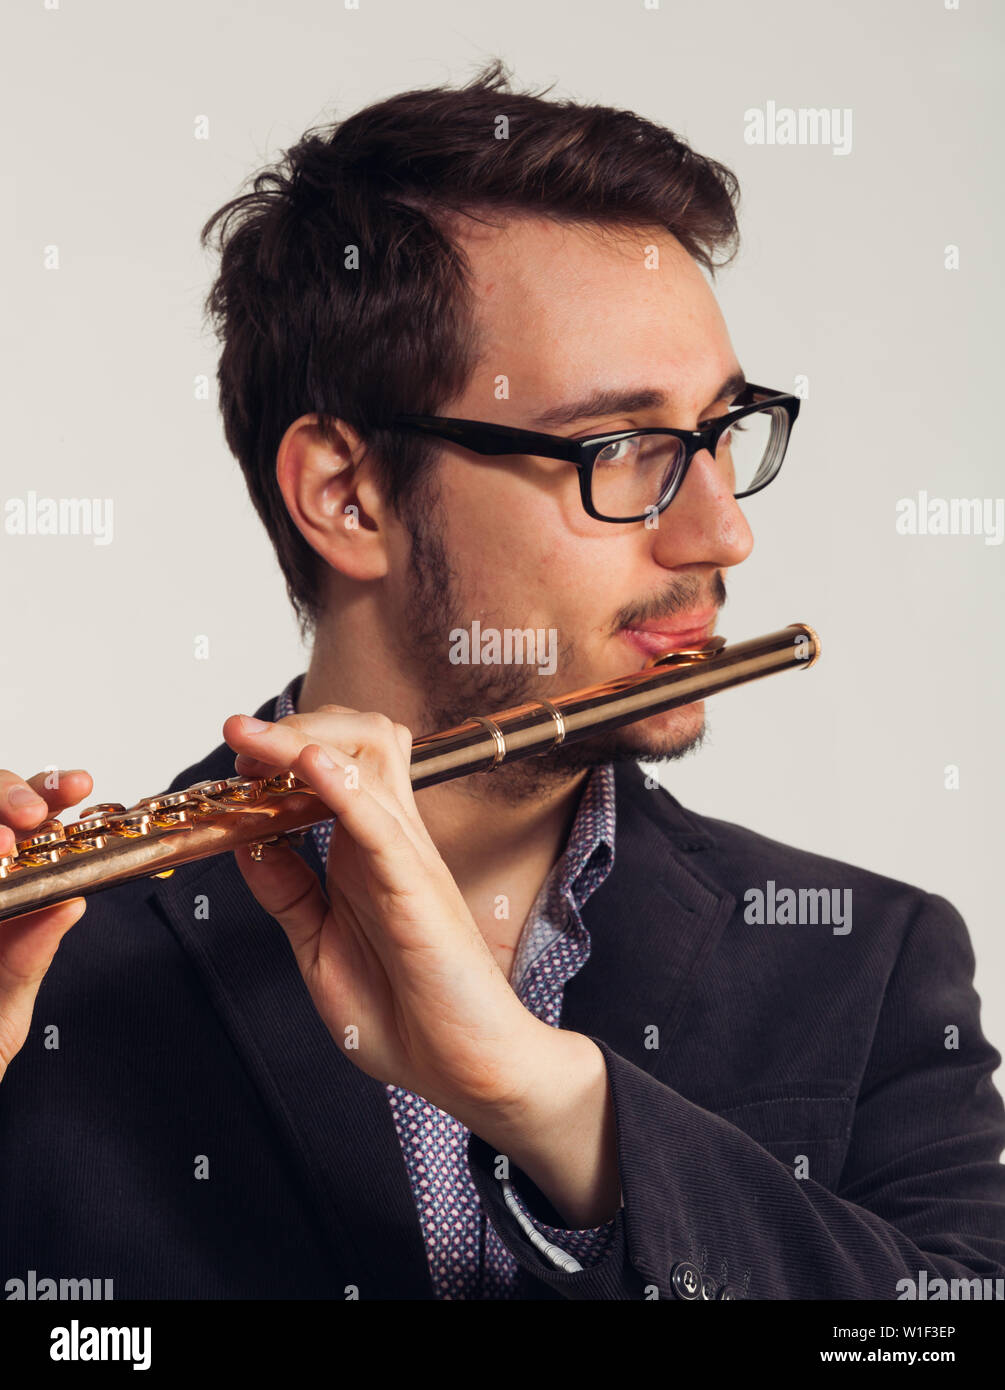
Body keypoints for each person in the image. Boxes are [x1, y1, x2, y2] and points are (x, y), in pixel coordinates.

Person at [2, 62, 1003, 1302]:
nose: (720, 535)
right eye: (623, 448)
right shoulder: (53, 977)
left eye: (722, 435)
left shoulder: (869, 960)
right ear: (346, 494)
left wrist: (557, 1106)